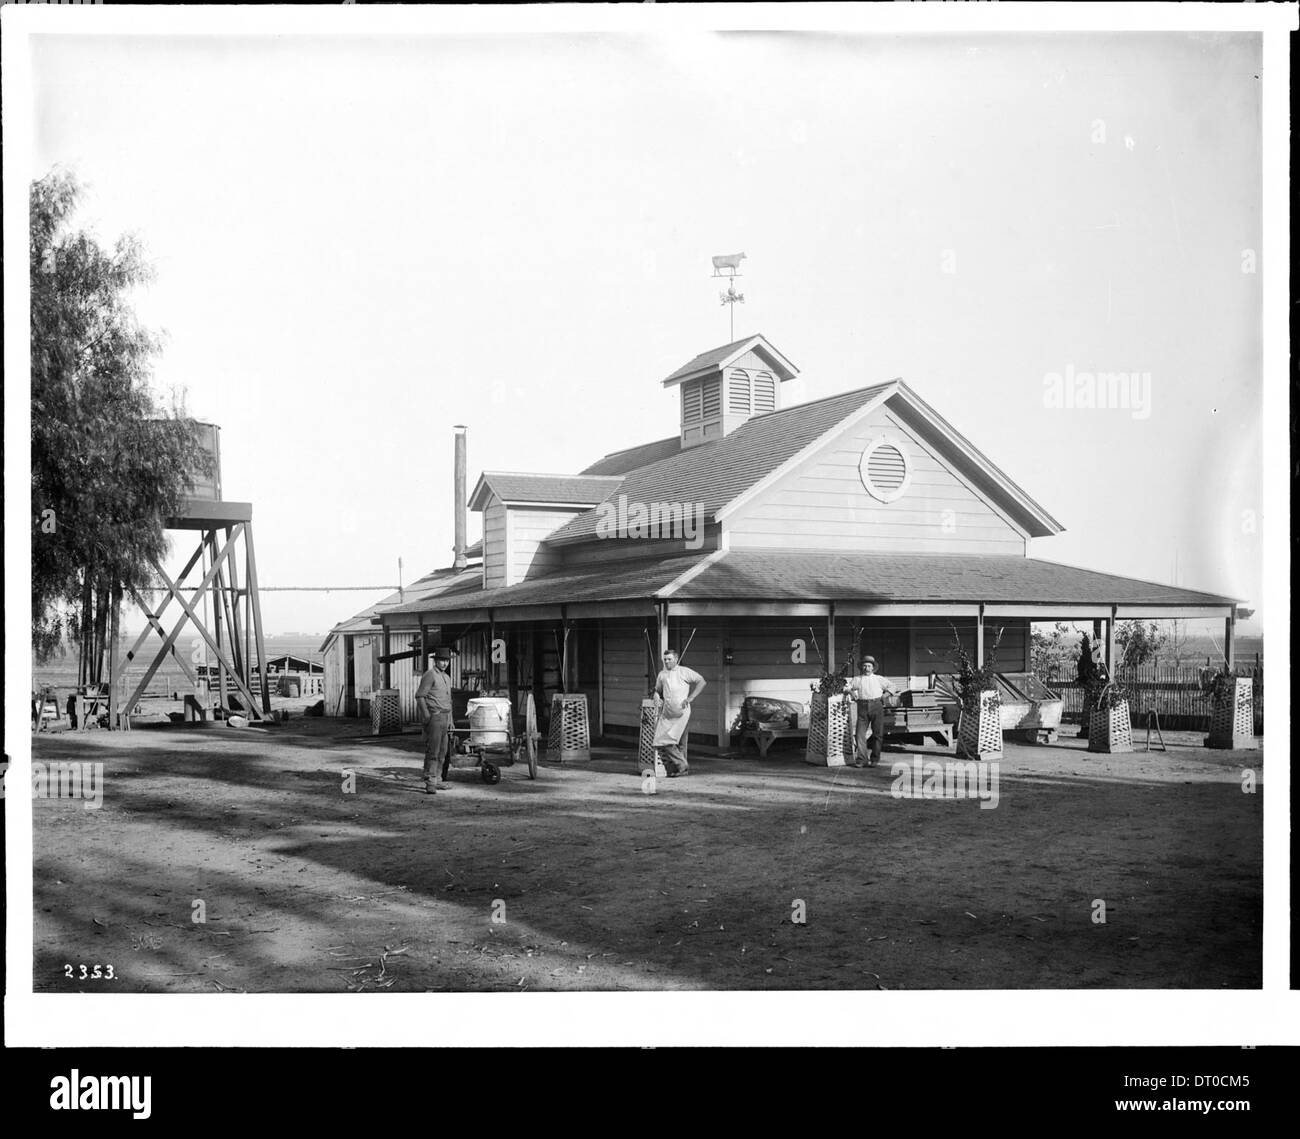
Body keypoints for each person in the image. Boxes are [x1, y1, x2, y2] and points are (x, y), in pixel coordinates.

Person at [652, 649, 706, 776]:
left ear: (676, 659)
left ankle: (682, 769)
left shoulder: (684, 671)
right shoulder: (662, 674)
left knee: (681, 742)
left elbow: (702, 681)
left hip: (682, 713)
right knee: (662, 740)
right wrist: (656, 695)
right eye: (665, 659)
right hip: (667, 713)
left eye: (669, 659)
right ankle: (682, 765)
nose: (666, 661)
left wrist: (691, 697)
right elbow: (658, 690)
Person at [415, 647, 455, 794]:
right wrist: (427, 716)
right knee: (433, 750)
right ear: (436, 660)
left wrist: (451, 720)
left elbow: (449, 701)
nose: (444, 664)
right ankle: (430, 781)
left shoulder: (446, 677)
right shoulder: (430, 675)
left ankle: (438, 779)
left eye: (446, 661)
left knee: (443, 751)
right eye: (441, 660)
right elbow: (420, 696)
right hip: (435, 717)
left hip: (445, 717)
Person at [848, 656, 898, 767]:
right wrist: (852, 693)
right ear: (861, 667)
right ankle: (862, 759)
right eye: (864, 666)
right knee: (860, 734)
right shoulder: (857, 679)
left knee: (877, 734)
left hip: (877, 705)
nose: (866, 668)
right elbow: (847, 687)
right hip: (862, 706)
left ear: (873, 668)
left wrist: (885, 696)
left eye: (869, 666)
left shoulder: (879, 679)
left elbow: (893, 686)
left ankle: (875, 759)